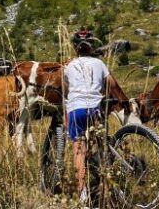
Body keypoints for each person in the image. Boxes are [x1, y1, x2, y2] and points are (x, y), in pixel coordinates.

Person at [63, 28, 111, 206]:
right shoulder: (100, 64)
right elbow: (110, 84)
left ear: (76, 48)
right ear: (91, 47)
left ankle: (83, 197)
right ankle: (107, 188)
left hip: (77, 109)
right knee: (101, 145)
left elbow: (66, 89)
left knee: (79, 151)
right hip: (95, 109)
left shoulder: (69, 66)